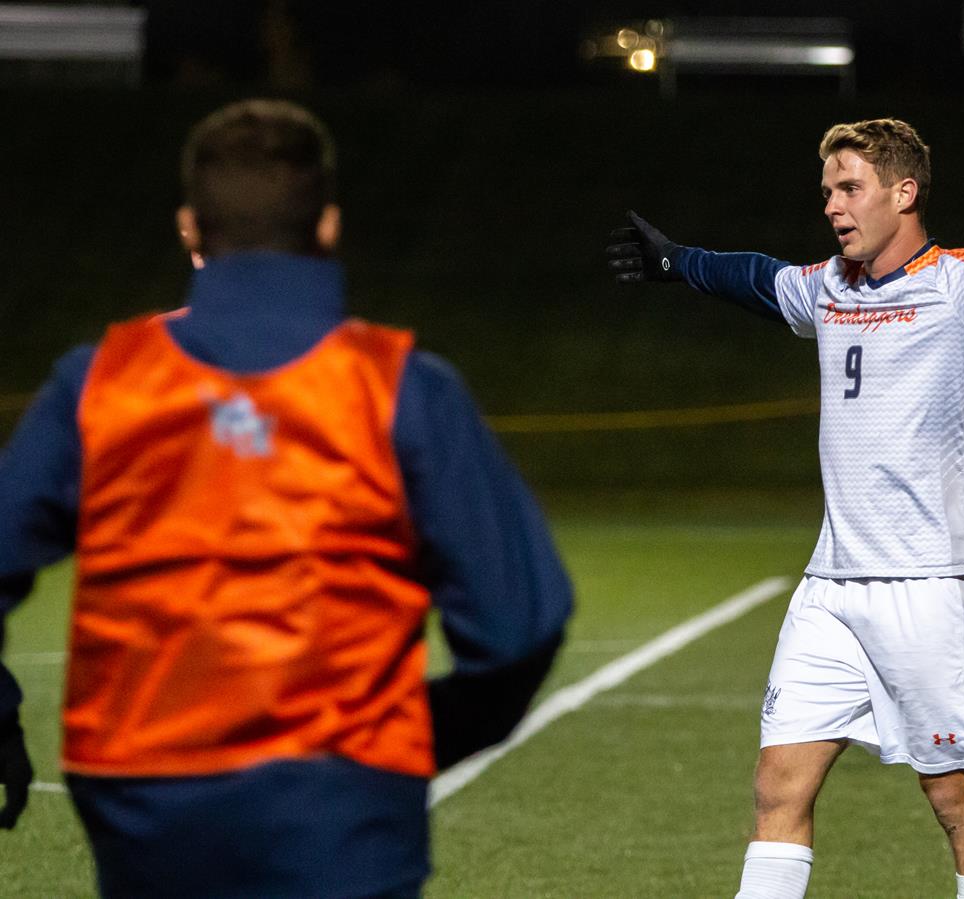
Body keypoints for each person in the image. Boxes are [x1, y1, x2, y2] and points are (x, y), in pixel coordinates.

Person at [0, 99, 572, 897]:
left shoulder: (98, 382)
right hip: (341, 797)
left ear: (190, 229)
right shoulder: (404, 388)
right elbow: (520, 625)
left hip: (141, 791)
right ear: (328, 225)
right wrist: (412, 741)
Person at [607, 118, 964, 899]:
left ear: (905, 192)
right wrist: (674, 261)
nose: (832, 205)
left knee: (955, 796)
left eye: (850, 187)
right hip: (831, 586)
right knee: (778, 785)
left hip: (932, 583)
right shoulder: (828, 288)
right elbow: (755, 277)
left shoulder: (961, 283)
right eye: (827, 190)